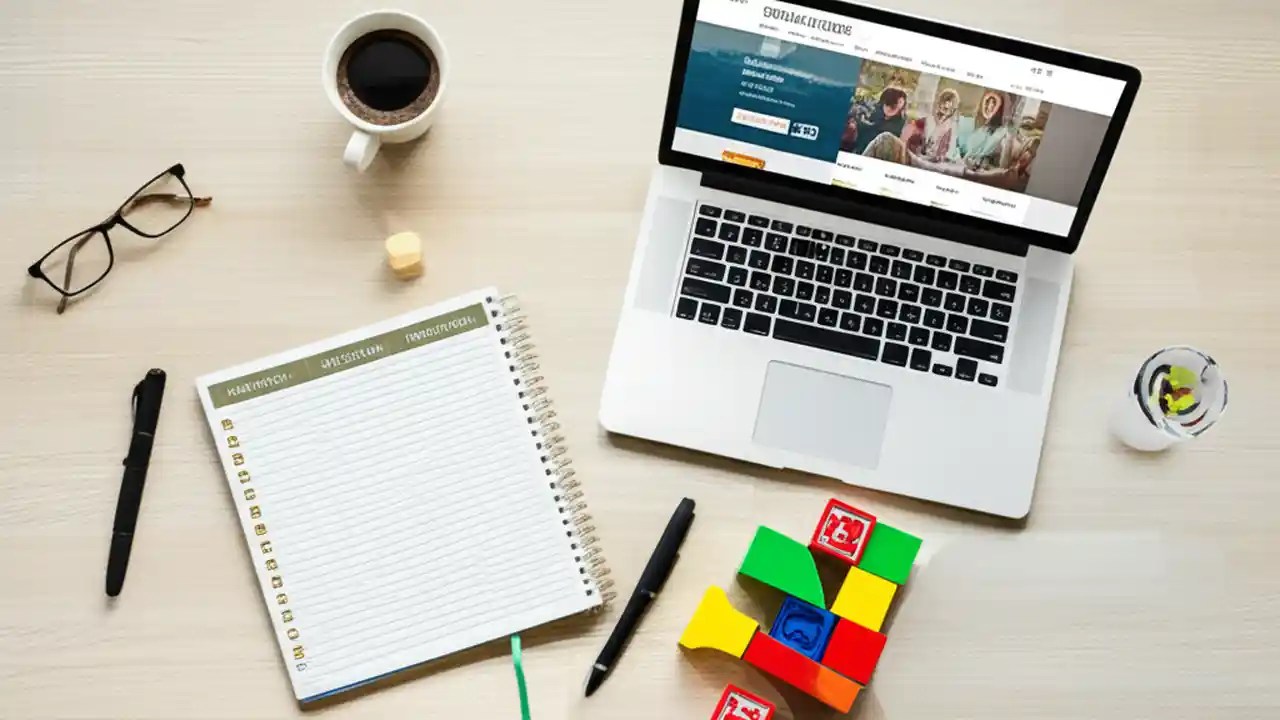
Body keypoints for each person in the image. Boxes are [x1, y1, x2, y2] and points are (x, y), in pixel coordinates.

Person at [840, 87, 908, 155]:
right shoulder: (870, 109)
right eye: (890, 104)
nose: (892, 108)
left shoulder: (901, 123)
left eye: (898, 104)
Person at [902, 87, 961, 162]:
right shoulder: (927, 120)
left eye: (948, 108)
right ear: (939, 103)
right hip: (920, 156)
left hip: (937, 161)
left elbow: (949, 152)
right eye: (943, 103)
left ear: (953, 110)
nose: (945, 105)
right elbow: (911, 136)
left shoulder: (951, 128)